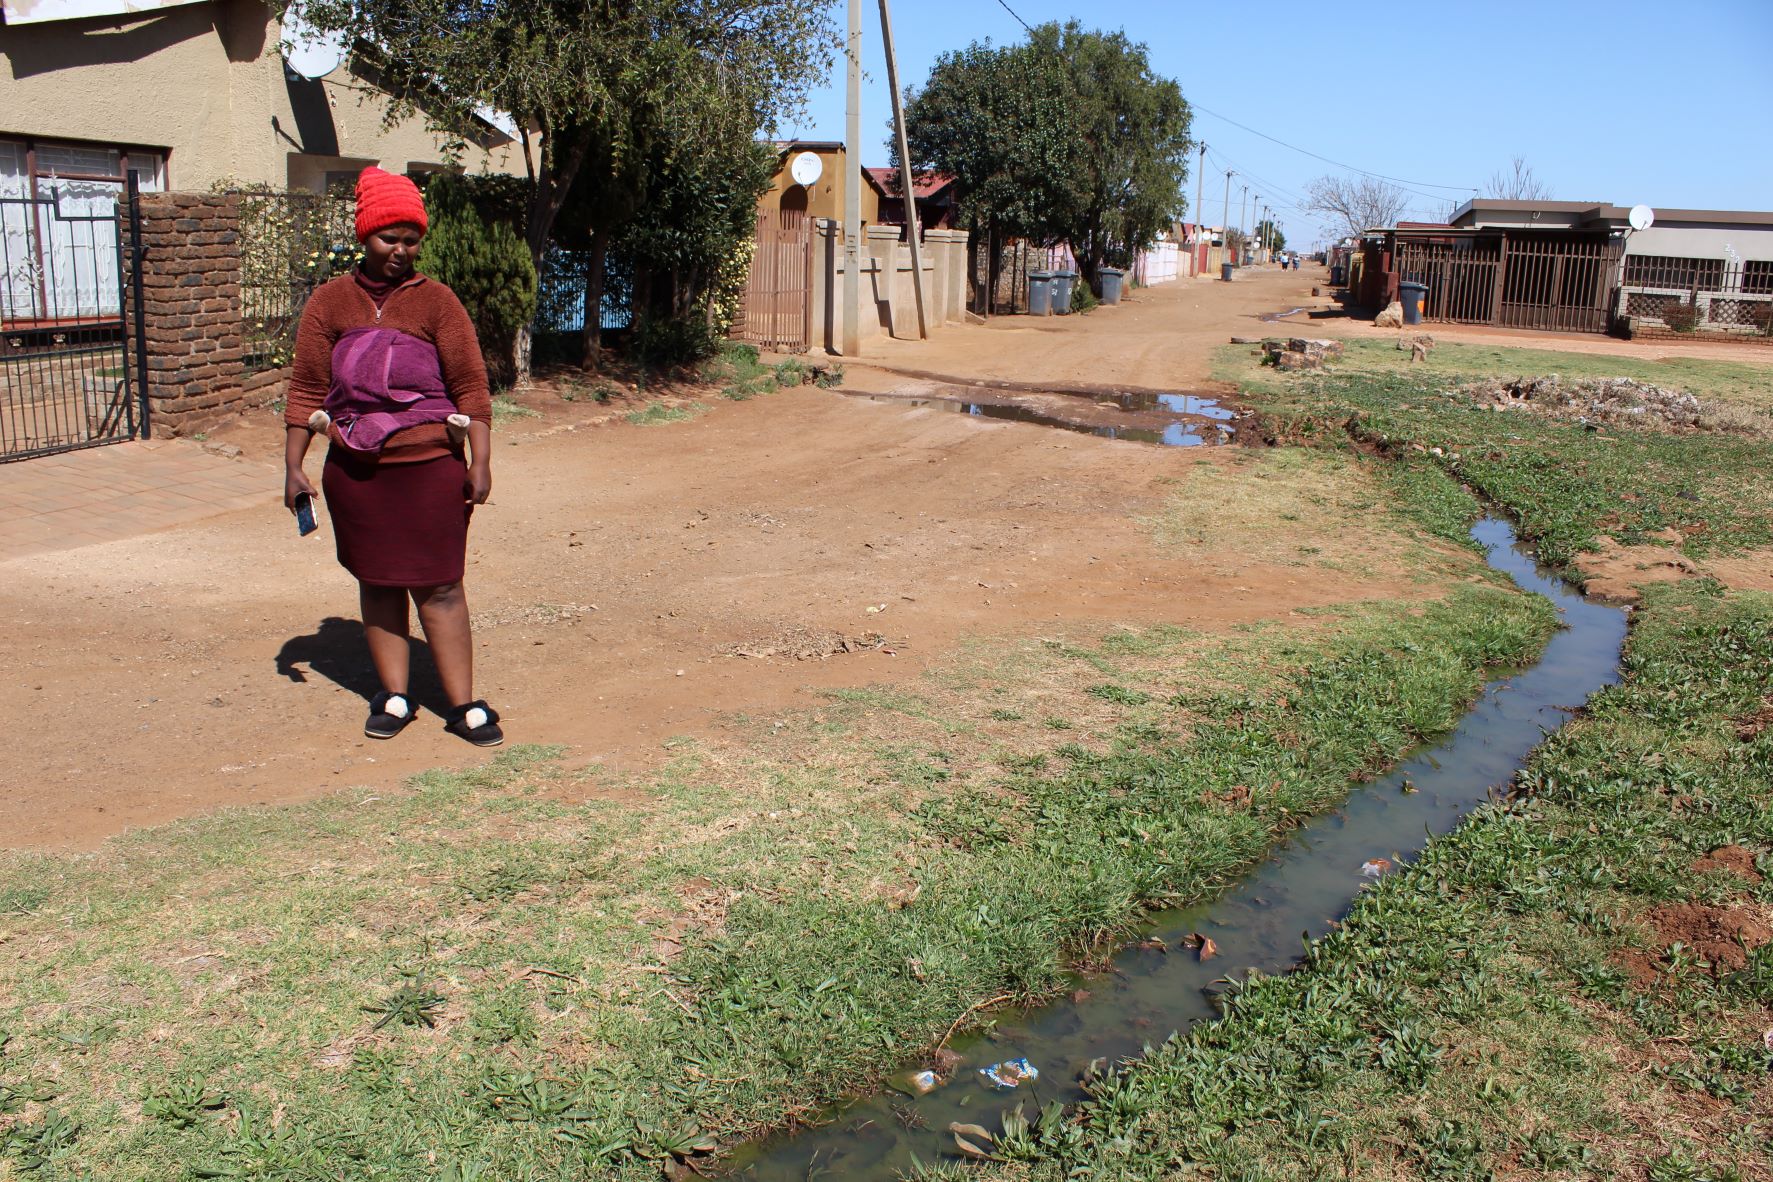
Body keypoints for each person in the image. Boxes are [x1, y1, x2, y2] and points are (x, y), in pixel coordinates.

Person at [282, 166, 503, 746]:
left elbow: (471, 388)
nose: (401, 251)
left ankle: (463, 704)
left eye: (411, 240)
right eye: (389, 239)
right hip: (356, 472)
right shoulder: (329, 303)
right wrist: (293, 466)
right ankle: (395, 696)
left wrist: (479, 461)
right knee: (378, 582)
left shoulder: (438, 302)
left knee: (441, 584)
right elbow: (306, 389)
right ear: (364, 236)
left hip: (430, 467)